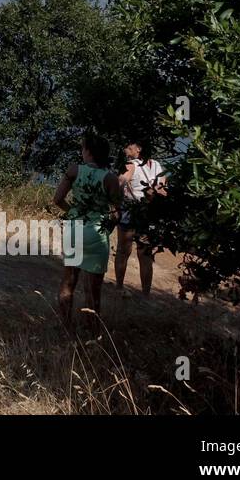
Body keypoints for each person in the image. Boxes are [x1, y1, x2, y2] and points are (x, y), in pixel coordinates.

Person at [53, 132, 121, 332]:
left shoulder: (74, 170)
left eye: (83, 148)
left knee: (68, 281)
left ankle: (65, 326)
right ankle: (92, 332)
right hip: (97, 232)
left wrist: (73, 212)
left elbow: (57, 199)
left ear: (89, 152)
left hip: (75, 229)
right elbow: (117, 213)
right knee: (93, 290)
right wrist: (107, 228)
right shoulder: (110, 178)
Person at [115, 138, 167, 295]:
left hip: (130, 210)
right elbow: (164, 188)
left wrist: (116, 204)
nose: (125, 149)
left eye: (128, 146)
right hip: (149, 213)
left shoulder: (131, 165)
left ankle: (119, 287)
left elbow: (120, 183)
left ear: (138, 149)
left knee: (123, 250)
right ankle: (146, 293)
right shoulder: (158, 166)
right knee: (145, 253)